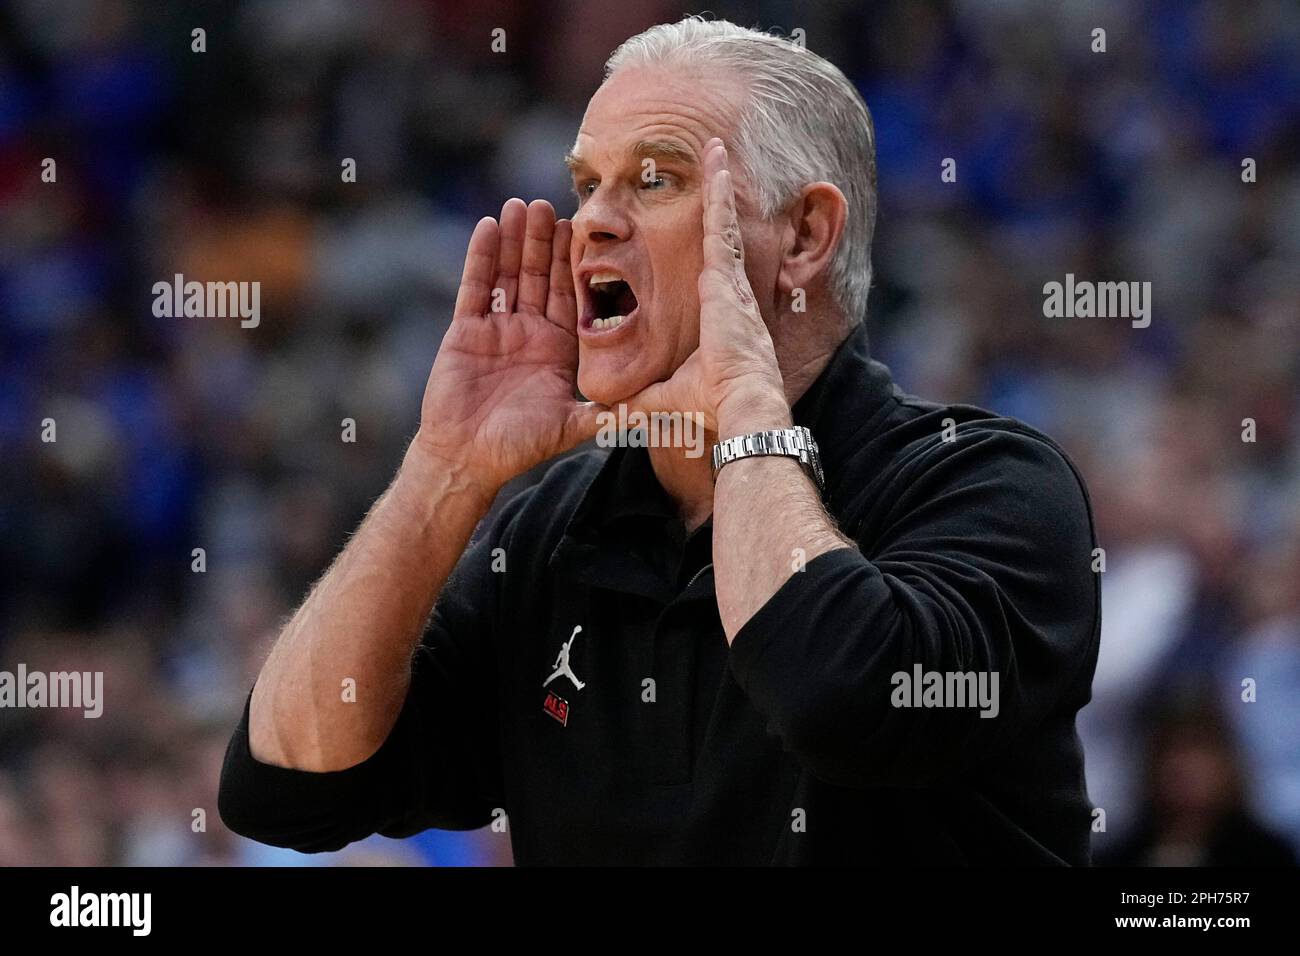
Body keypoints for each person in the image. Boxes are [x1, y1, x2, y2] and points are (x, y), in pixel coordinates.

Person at [218, 16, 1101, 865]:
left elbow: (839, 698)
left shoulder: (993, 486)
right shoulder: (549, 532)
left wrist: (745, 407)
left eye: (656, 180)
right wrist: (444, 470)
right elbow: (288, 786)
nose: (592, 222)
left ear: (803, 237)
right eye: (586, 183)